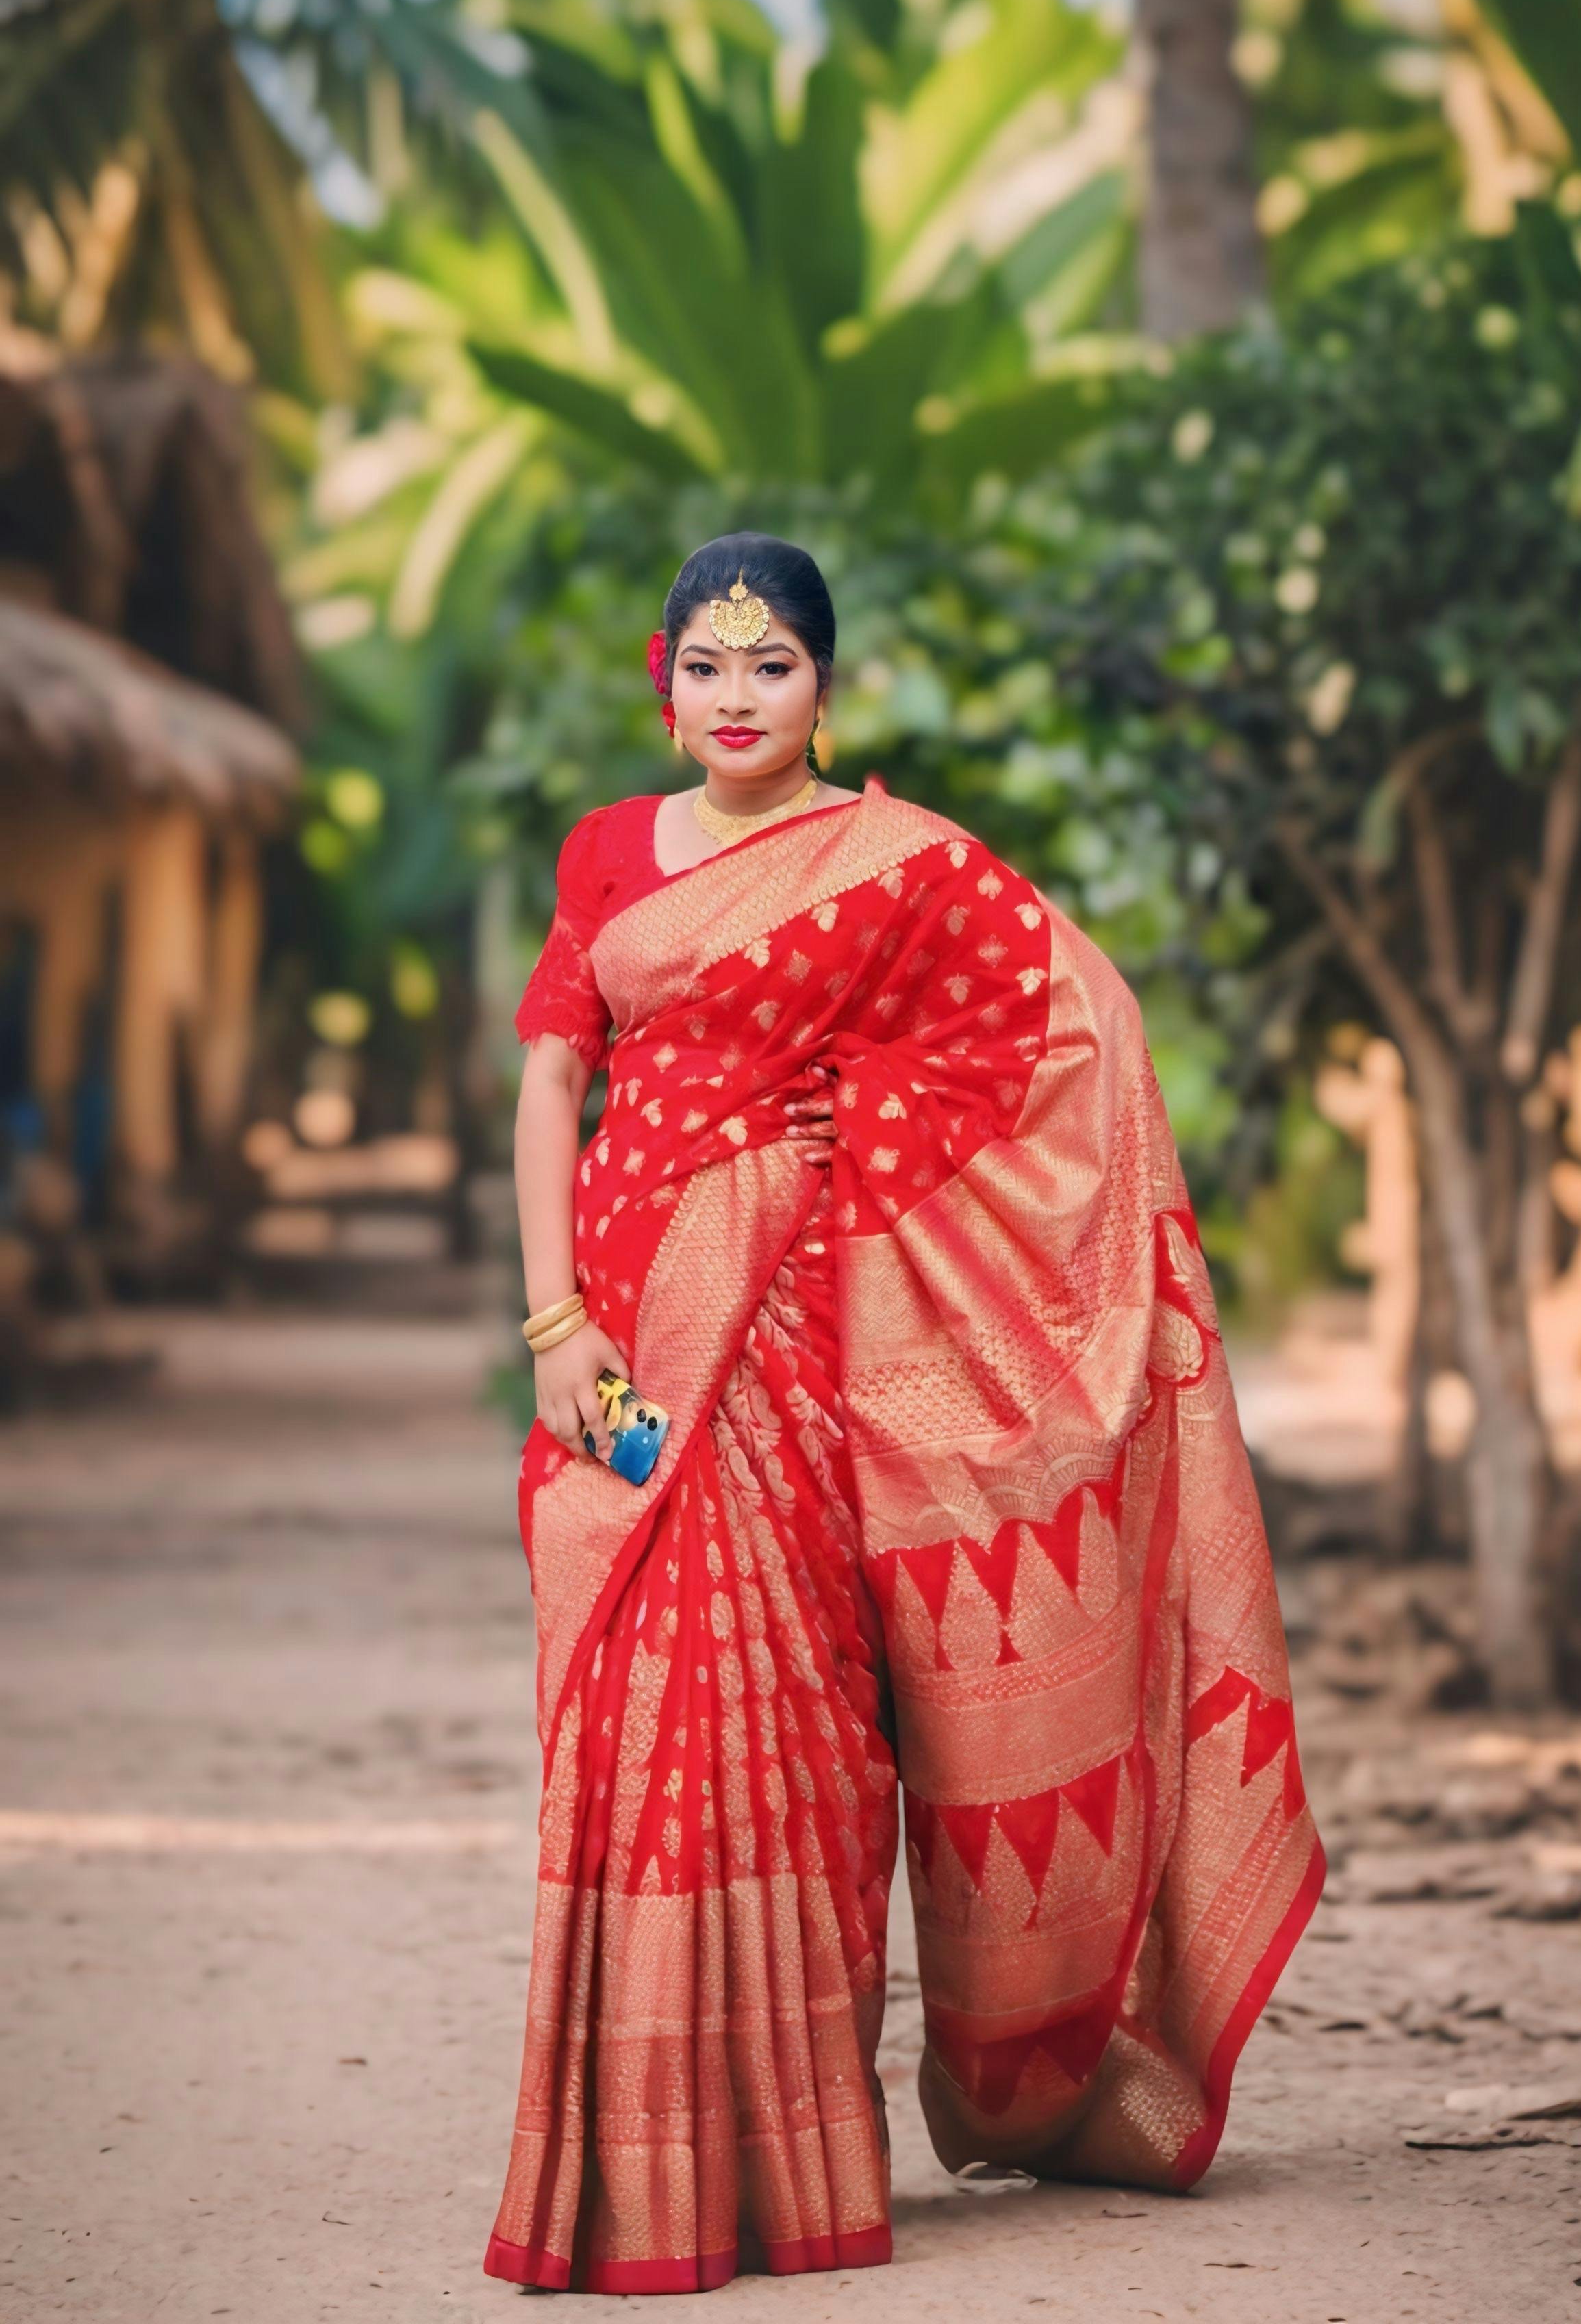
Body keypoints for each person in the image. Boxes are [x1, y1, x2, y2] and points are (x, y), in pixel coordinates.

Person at [485, 533, 1324, 2295]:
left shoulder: (898, 866)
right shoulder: (604, 851)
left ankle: (789, 2163)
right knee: (625, 1704)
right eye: (704, 665)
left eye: (771, 665)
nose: (735, 696)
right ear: (662, 682)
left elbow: (1067, 1029)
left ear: (824, 686)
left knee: (796, 1725)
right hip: (624, 1337)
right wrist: (555, 1324)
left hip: (792, 1342)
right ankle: (633, 2166)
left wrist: (853, 1116)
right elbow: (553, 1078)